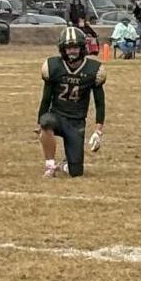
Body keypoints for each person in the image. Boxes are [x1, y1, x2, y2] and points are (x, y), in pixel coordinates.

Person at [34, 27, 106, 178]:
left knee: (76, 172)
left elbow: (100, 102)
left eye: (75, 47)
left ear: (82, 48)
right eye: (68, 48)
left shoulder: (93, 70)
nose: (72, 51)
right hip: (57, 116)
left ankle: (67, 163)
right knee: (46, 122)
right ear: (62, 49)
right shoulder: (54, 66)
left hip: (76, 122)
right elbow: (46, 97)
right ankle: (50, 165)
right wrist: (39, 122)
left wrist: (98, 131)